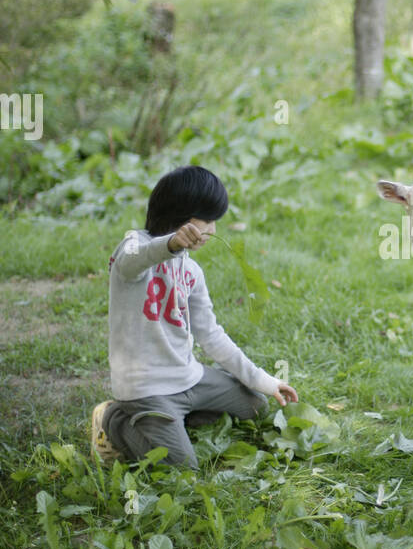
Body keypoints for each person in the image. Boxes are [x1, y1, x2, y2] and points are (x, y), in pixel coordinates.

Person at [91, 164, 296, 470]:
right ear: (179, 213)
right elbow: (134, 262)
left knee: (255, 406)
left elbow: (211, 335)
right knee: (183, 470)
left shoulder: (191, 271)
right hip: (146, 389)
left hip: (189, 378)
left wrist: (264, 380)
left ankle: (169, 423)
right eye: (207, 219)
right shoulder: (133, 247)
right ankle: (114, 420)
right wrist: (171, 244)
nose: (212, 230)